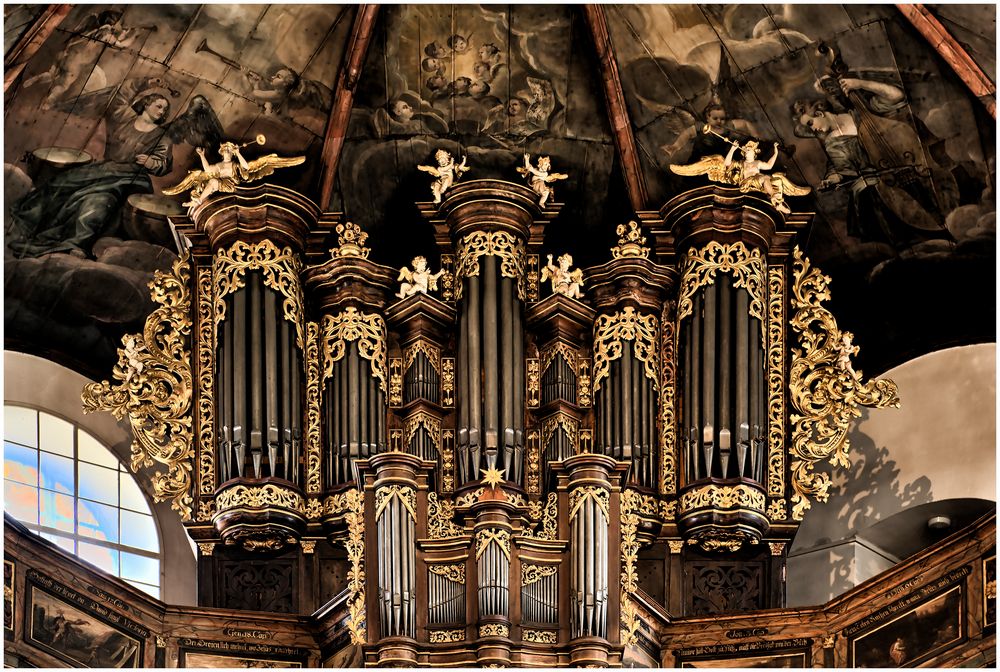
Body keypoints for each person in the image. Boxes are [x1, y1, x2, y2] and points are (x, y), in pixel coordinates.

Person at [792, 77, 954, 248]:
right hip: (883, 185)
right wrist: (832, 179)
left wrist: (860, 84)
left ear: (819, 113)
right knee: (871, 198)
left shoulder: (862, 111)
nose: (813, 129)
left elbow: (897, 96)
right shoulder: (833, 142)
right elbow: (843, 169)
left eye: (810, 123)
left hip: (912, 167)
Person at [8, 92, 173, 258]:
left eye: (165, 109)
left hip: (129, 178)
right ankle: (30, 220)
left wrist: (151, 162)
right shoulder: (124, 120)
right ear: (146, 104)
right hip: (104, 169)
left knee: (97, 201)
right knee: (63, 182)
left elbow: (163, 164)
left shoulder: (161, 136)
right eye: (158, 106)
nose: (162, 111)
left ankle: (72, 244)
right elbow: (118, 97)